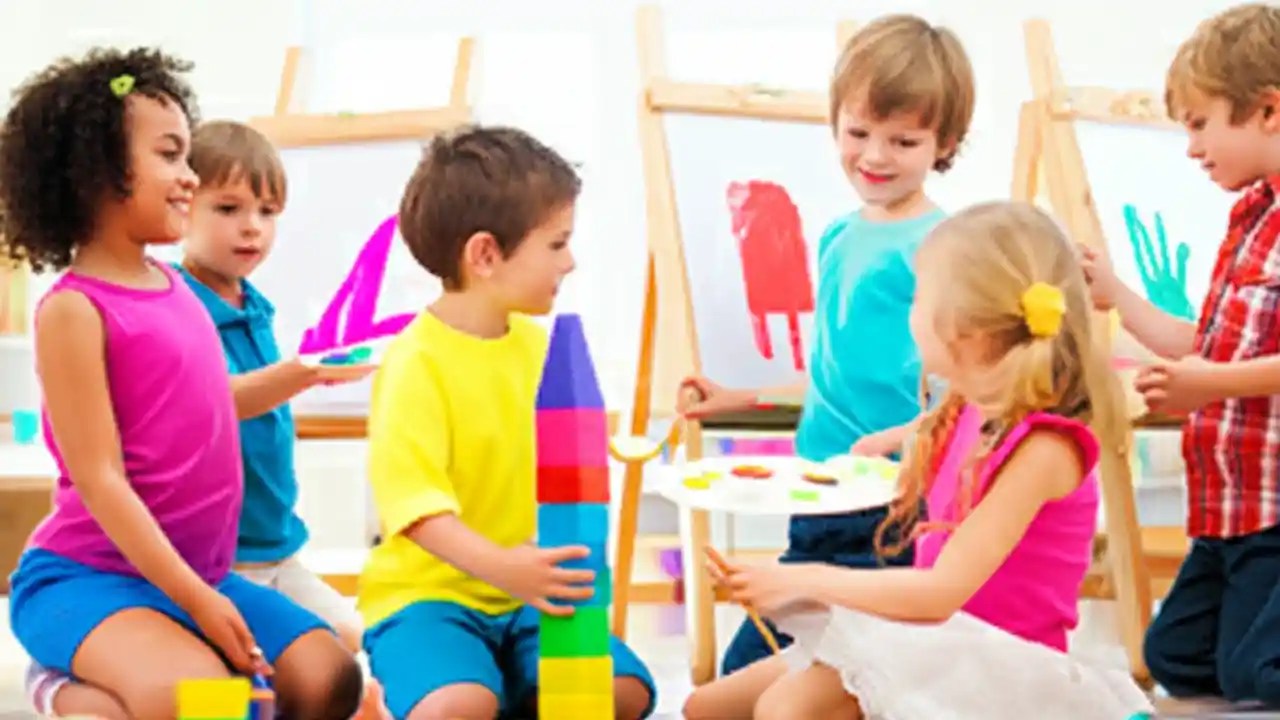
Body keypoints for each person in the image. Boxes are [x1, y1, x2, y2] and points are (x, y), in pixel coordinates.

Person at [683, 201, 1155, 719]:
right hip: (927, 642)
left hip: (994, 662)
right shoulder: (970, 401)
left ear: (967, 330)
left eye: (919, 298)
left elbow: (938, 592)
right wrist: (883, 445)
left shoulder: (1043, 449)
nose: (909, 313)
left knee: (785, 709)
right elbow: (931, 433)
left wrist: (801, 579)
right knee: (707, 707)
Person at [0, 48, 362, 719]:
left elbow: (215, 405)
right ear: (96, 171)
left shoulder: (178, 292)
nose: (189, 177)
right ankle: (63, 690)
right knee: (202, 699)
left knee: (328, 679)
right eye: (170, 156)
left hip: (193, 575)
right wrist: (199, 601)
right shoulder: (74, 310)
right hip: (86, 577)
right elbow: (100, 477)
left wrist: (304, 374)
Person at [677, 13, 976, 675]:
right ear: (834, 122)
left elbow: (970, 392)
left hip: (898, 505)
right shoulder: (840, 234)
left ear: (944, 142)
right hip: (818, 499)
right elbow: (834, 373)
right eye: (858, 132)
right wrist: (746, 396)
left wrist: (908, 439)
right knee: (743, 675)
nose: (874, 156)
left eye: (902, 140)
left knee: (865, 679)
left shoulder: (946, 245)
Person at [356, 125, 657, 720]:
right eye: (556, 244)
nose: (570, 261)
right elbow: (414, 511)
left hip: (527, 600)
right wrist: (507, 568)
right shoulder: (415, 362)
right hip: (428, 599)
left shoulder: (540, 349)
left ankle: (512, 686)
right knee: (458, 707)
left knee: (621, 694)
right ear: (485, 255)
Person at [1082, 2, 1280, 706]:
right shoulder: (1250, 217)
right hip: (1227, 506)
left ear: (1267, 111)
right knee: (1173, 657)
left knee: (1253, 674)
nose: (1192, 147)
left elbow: (1215, 369)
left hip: (1274, 506)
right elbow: (1207, 343)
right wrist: (1116, 295)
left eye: (1200, 124)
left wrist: (1212, 385)